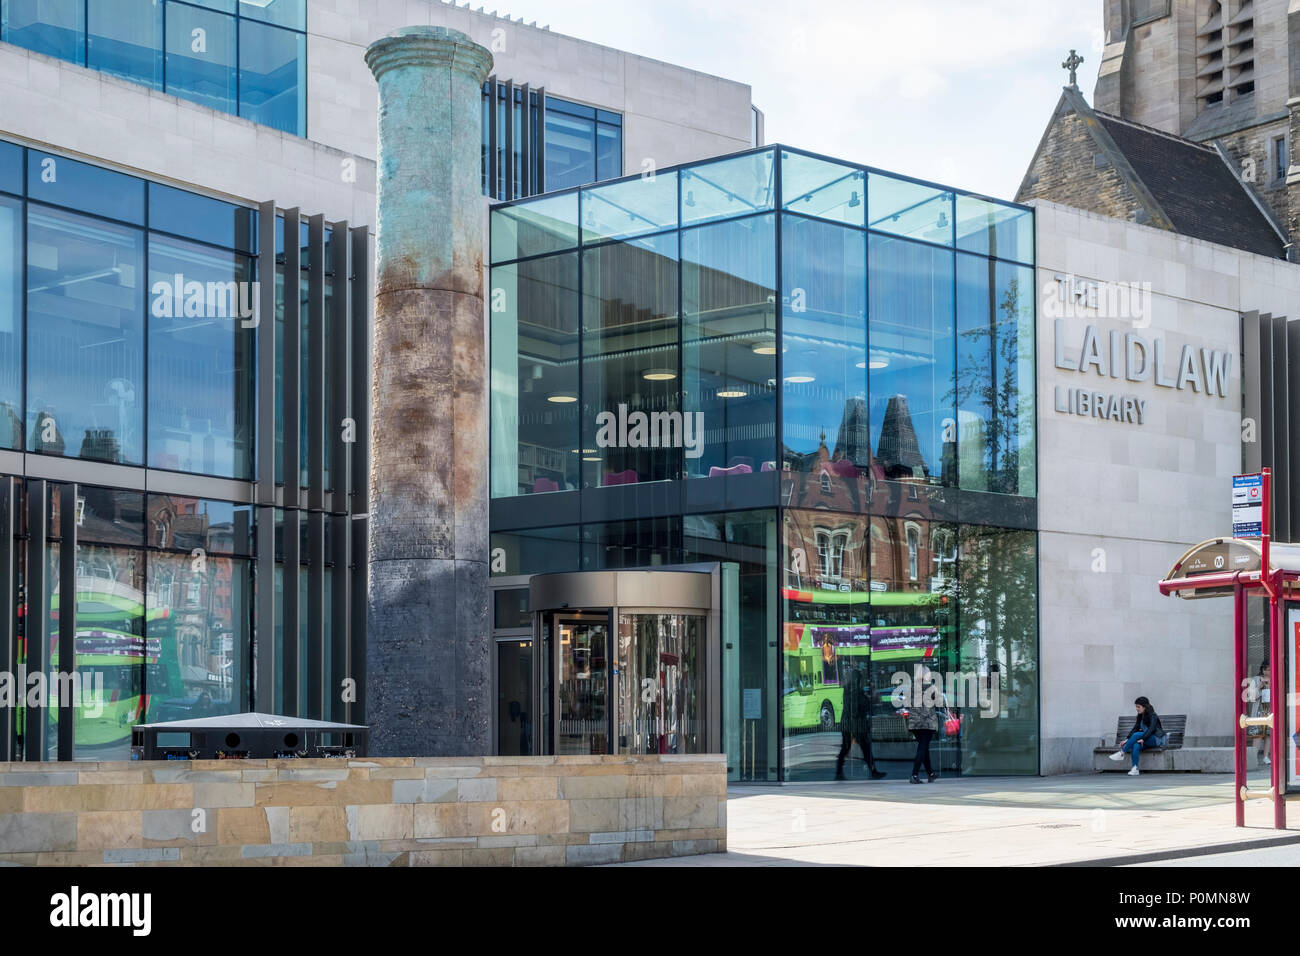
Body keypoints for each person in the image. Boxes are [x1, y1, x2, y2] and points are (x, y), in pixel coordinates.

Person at [835, 667, 886, 781]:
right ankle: (873, 771)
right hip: (855, 725)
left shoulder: (849, 690)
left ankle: (839, 771)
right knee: (864, 748)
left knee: (847, 748)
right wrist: (869, 700)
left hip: (849, 724)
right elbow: (857, 708)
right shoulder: (855, 691)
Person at [1107, 695, 1166, 776]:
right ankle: (1135, 768)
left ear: (1144, 707)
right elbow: (1135, 728)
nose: (1137, 708)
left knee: (1137, 734)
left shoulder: (1153, 715)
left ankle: (1121, 753)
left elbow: (1151, 729)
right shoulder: (1140, 716)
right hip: (1146, 739)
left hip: (1156, 739)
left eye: (1138, 707)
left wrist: (1143, 738)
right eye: (1136, 707)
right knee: (1135, 745)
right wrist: (1127, 739)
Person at [907, 668, 941, 784]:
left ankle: (930, 773)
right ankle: (914, 774)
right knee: (922, 748)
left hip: (915, 722)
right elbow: (939, 701)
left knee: (924, 748)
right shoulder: (931, 688)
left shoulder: (912, 688)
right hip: (927, 722)